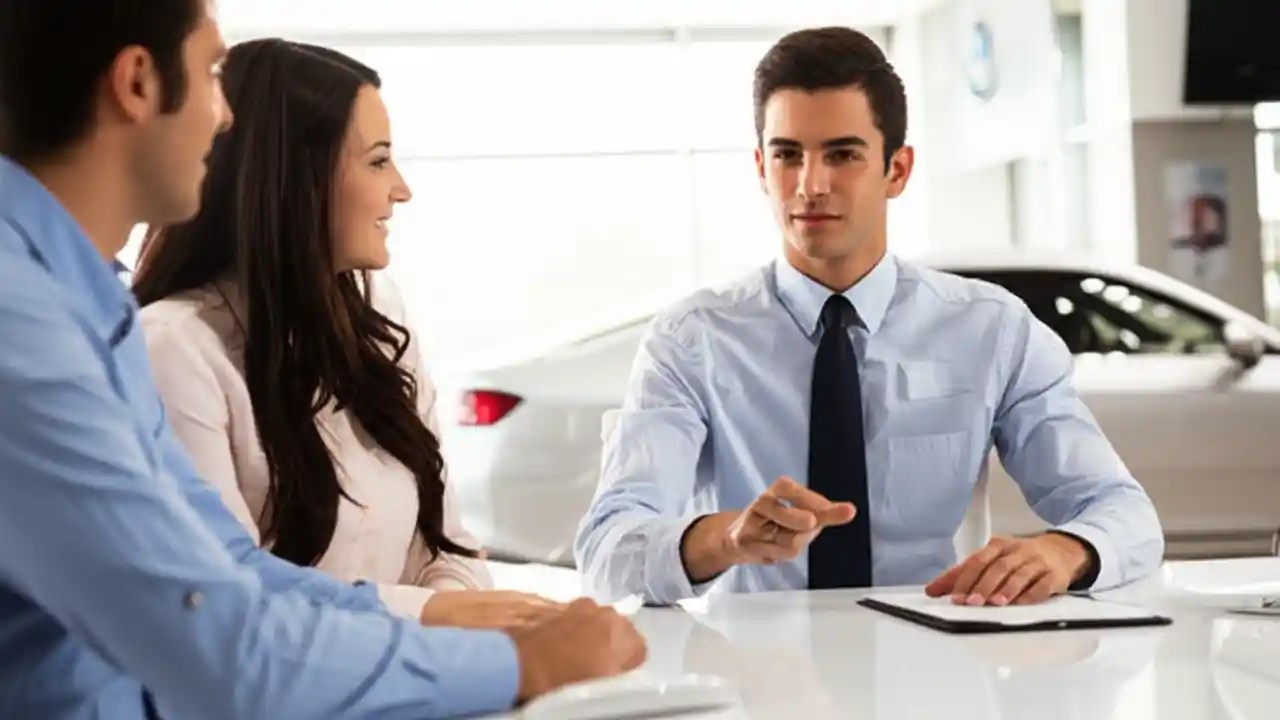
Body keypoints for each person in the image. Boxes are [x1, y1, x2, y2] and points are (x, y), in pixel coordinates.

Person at [0, 1, 644, 718]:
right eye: (213, 72)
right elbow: (225, 649)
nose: (225, 116)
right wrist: (520, 660)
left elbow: (229, 574)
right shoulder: (25, 327)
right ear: (138, 83)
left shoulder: (88, 307)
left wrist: (470, 628)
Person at [574, 26, 1164, 607]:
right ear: (761, 168)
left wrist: (1065, 551)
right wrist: (724, 538)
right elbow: (607, 551)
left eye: (842, 155)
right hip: (757, 675)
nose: (810, 185)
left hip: (937, 663)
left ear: (897, 170)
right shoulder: (692, 341)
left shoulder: (993, 332)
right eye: (787, 155)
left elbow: (1124, 513)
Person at [132, 38, 557, 631]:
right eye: (378, 160)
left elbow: (449, 546)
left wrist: (461, 613)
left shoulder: (379, 321)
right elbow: (229, 601)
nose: (400, 189)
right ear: (294, 179)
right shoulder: (172, 349)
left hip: (413, 684)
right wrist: (441, 613)